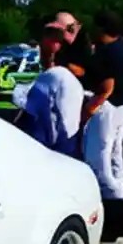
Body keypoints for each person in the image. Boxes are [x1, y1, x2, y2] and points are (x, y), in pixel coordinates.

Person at [83, 10, 123, 244]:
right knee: (115, 163)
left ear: (103, 29)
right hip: (122, 107)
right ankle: (120, 212)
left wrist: (90, 110)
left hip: (108, 108)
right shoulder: (121, 50)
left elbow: (107, 86)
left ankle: (109, 217)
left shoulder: (107, 52)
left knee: (99, 160)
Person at [20, 23, 84, 156]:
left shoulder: (50, 78)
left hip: (51, 150)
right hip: (71, 147)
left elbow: (38, 117)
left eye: (42, 47)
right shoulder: (72, 80)